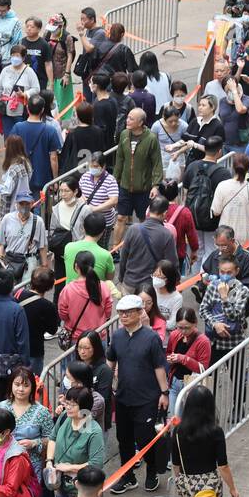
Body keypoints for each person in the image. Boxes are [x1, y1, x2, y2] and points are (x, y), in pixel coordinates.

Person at [107, 294, 171, 494]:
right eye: (120, 313)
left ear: (139, 313)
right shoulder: (117, 336)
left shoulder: (151, 337)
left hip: (147, 399)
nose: (123, 316)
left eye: (128, 313)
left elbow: (159, 367)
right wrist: (106, 385)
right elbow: (110, 363)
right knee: (123, 438)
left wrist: (164, 393)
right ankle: (127, 476)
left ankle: (151, 472)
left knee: (145, 439)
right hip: (124, 397)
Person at [0, 364, 54, 483]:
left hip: (31, 468)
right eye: (17, 384)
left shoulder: (42, 412)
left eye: (26, 385)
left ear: (32, 387)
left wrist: (34, 443)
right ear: (11, 385)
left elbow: (51, 439)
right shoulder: (1, 407)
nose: (21, 389)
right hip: (3, 464)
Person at [112, 107, 162, 248]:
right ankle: (115, 249)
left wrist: (156, 185)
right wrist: (115, 180)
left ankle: (144, 247)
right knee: (121, 217)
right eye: (128, 117)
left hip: (144, 188)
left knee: (143, 219)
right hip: (125, 186)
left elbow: (157, 163)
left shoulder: (151, 138)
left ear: (140, 122)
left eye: (131, 119)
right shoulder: (124, 135)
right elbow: (119, 159)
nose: (127, 120)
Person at [0, 269, 31, 407]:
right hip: (14, 367)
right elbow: (23, 341)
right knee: (14, 404)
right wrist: (25, 365)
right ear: (12, 285)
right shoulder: (17, 310)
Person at [8, 94, 62, 195]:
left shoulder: (17, 128)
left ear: (27, 108)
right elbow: (53, 158)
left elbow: (10, 151)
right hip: (42, 178)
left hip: (21, 176)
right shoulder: (50, 131)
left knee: (22, 208)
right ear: (42, 110)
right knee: (39, 208)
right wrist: (55, 180)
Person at [58, 250, 114, 343]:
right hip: (98, 336)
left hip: (76, 338)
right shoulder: (103, 286)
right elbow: (108, 312)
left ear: (76, 266)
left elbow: (63, 314)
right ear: (93, 266)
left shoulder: (68, 289)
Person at [15, 267, 62, 375]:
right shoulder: (47, 306)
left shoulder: (18, 294)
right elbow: (52, 330)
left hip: (15, 347)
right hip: (34, 350)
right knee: (33, 382)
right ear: (49, 287)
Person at [0, 191, 49, 282]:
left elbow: (43, 246)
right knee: (9, 288)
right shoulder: (7, 219)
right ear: (16, 204)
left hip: (29, 261)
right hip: (10, 260)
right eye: (21, 203)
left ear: (32, 204)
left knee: (26, 290)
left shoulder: (38, 221)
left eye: (27, 204)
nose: (24, 206)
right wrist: (0, 259)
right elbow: (0, 243)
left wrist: (44, 266)